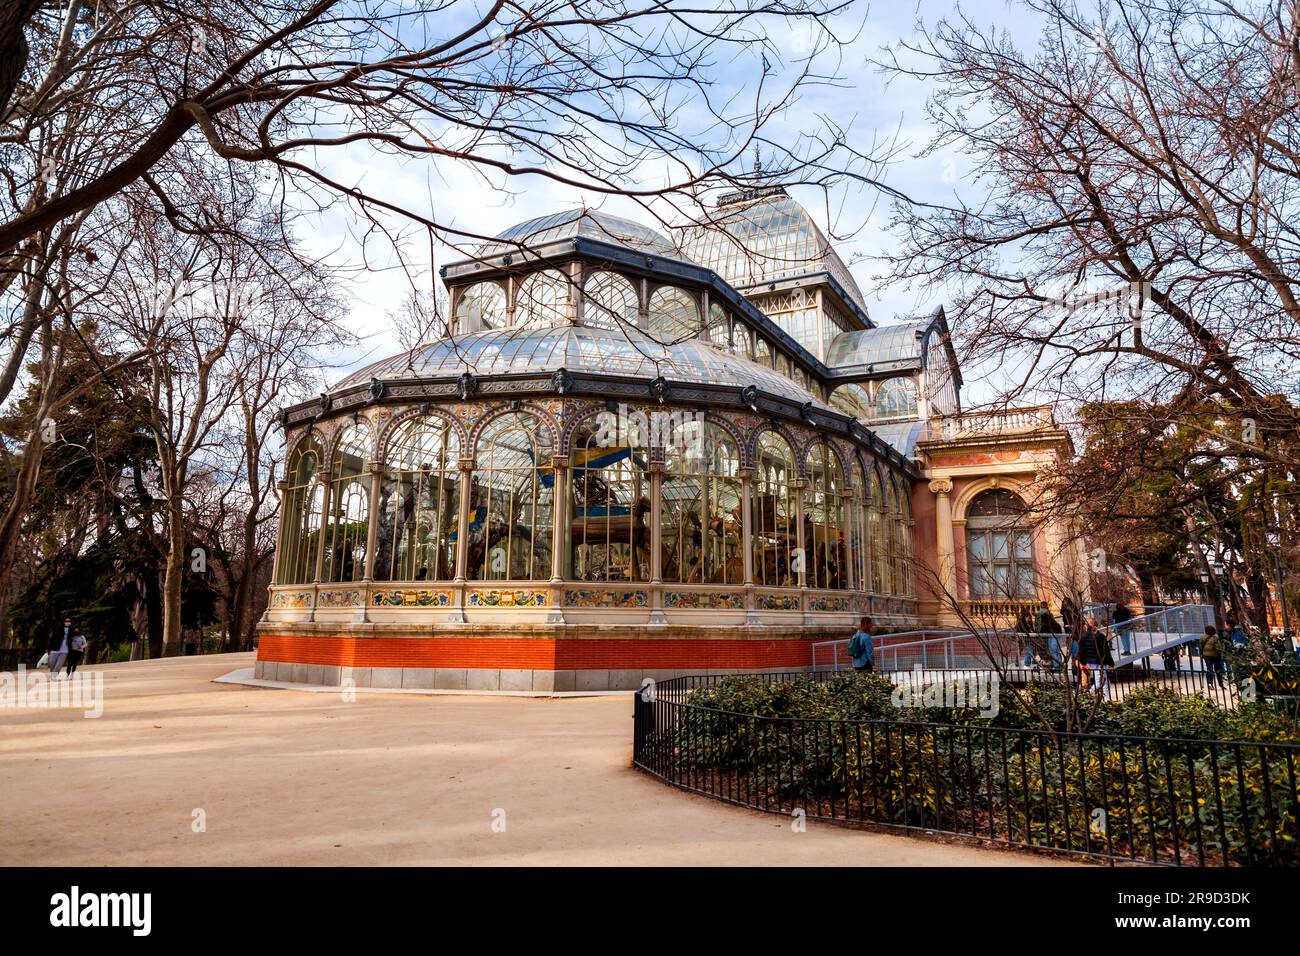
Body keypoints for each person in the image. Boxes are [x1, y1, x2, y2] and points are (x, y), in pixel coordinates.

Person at [1075, 618, 1114, 691]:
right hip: (1100, 662)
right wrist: (1111, 664)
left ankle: (1107, 699)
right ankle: (1090, 694)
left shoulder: (1084, 636)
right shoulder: (1100, 636)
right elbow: (1106, 651)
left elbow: (1081, 651)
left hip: (1090, 661)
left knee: (1105, 683)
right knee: (1101, 683)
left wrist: (1083, 662)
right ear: (1097, 625)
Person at [1036, 601, 1064, 668]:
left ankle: (1057, 666)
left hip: (1053, 634)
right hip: (1055, 633)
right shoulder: (1049, 615)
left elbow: (1043, 626)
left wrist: (1039, 632)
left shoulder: (1043, 616)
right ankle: (1058, 665)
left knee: (1053, 650)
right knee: (1056, 650)